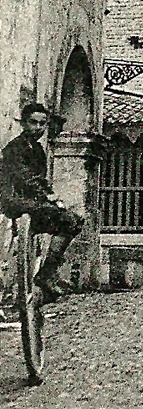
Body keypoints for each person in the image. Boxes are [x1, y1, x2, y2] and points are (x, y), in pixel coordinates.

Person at [0, 103, 84, 302]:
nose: (38, 127)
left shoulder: (37, 149)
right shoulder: (14, 148)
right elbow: (26, 178)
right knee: (65, 219)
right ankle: (45, 276)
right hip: (13, 200)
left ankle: (47, 273)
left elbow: (41, 180)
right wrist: (47, 197)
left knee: (74, 221)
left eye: (42, 123)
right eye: (33, 122)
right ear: (23, 123)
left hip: (31, 201)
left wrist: (52, 197)